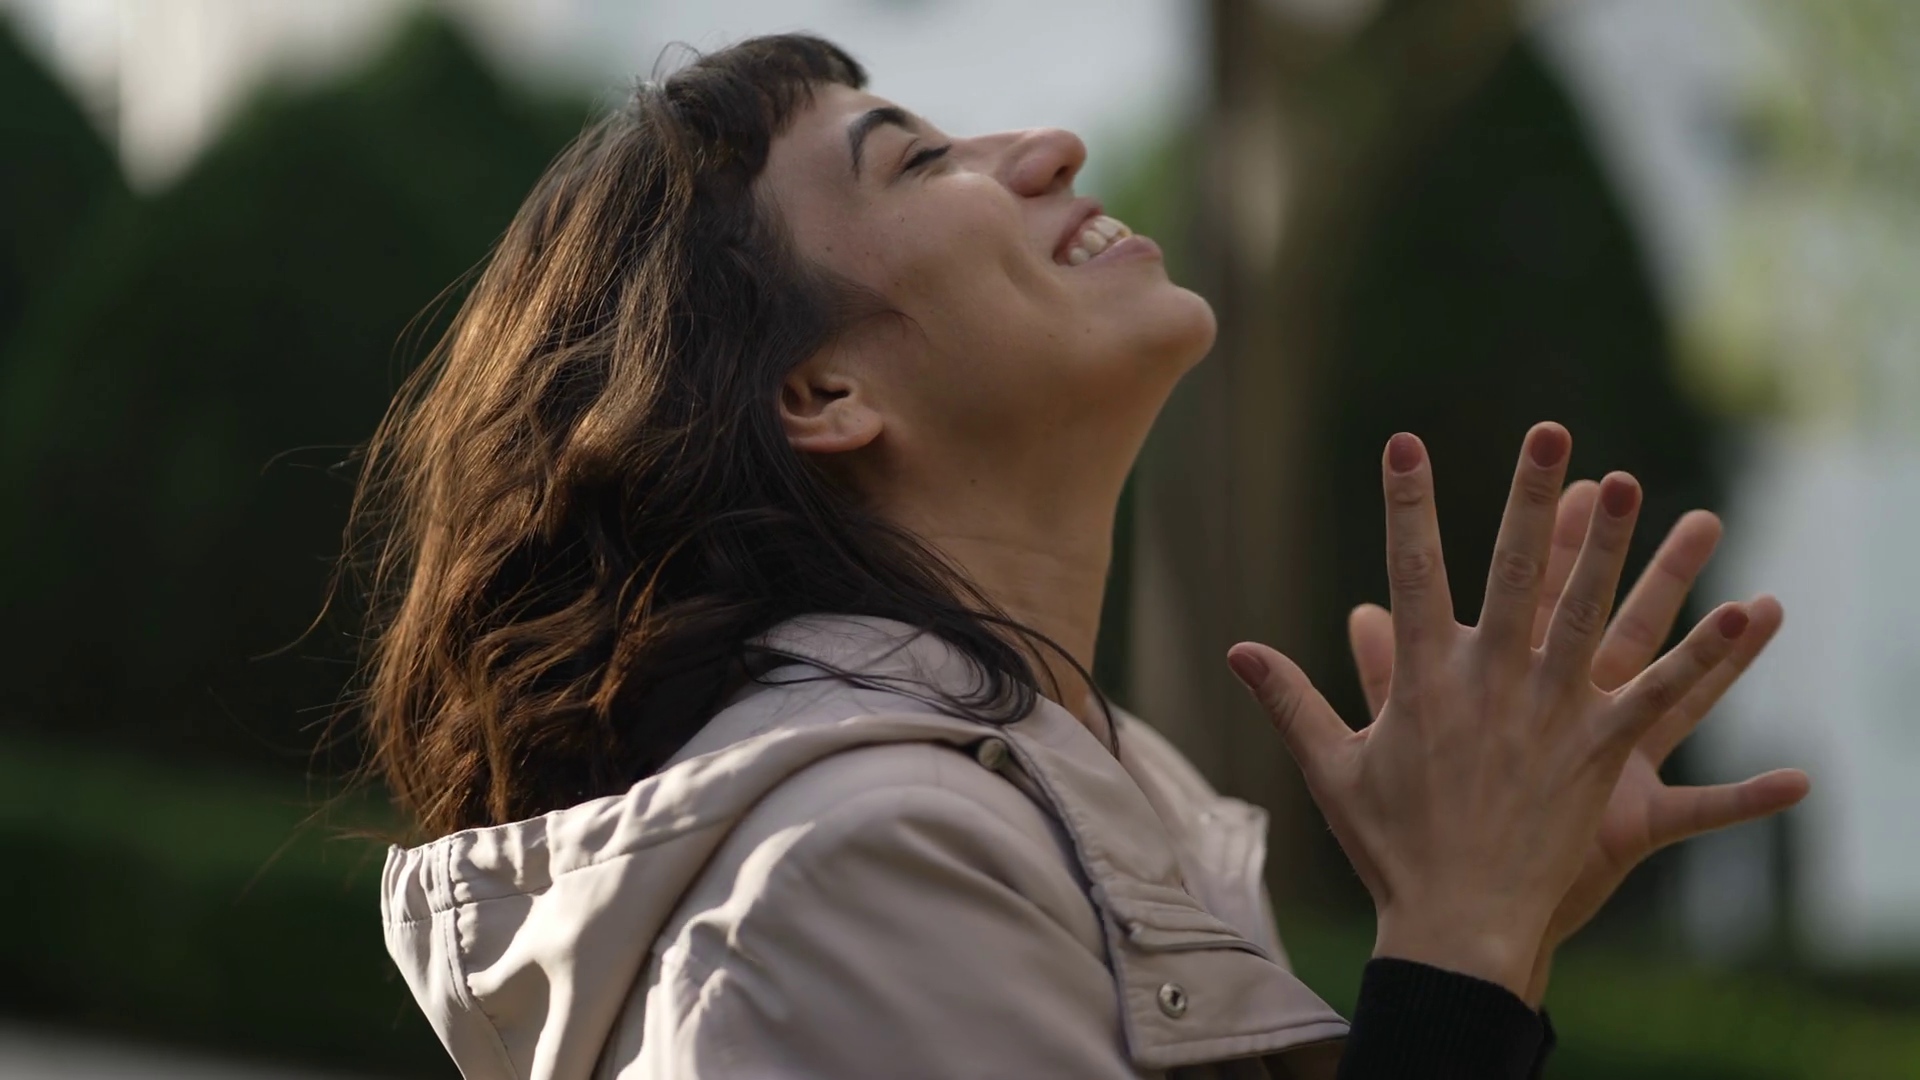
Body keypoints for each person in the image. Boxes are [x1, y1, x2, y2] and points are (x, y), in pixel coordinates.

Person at [358, 34, 1810, 1079]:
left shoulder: (1100, 824)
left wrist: (1501, 908)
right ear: (820, 395)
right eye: (919, 158)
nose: (1050, 150)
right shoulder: (852, 875)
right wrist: (1462, 950)